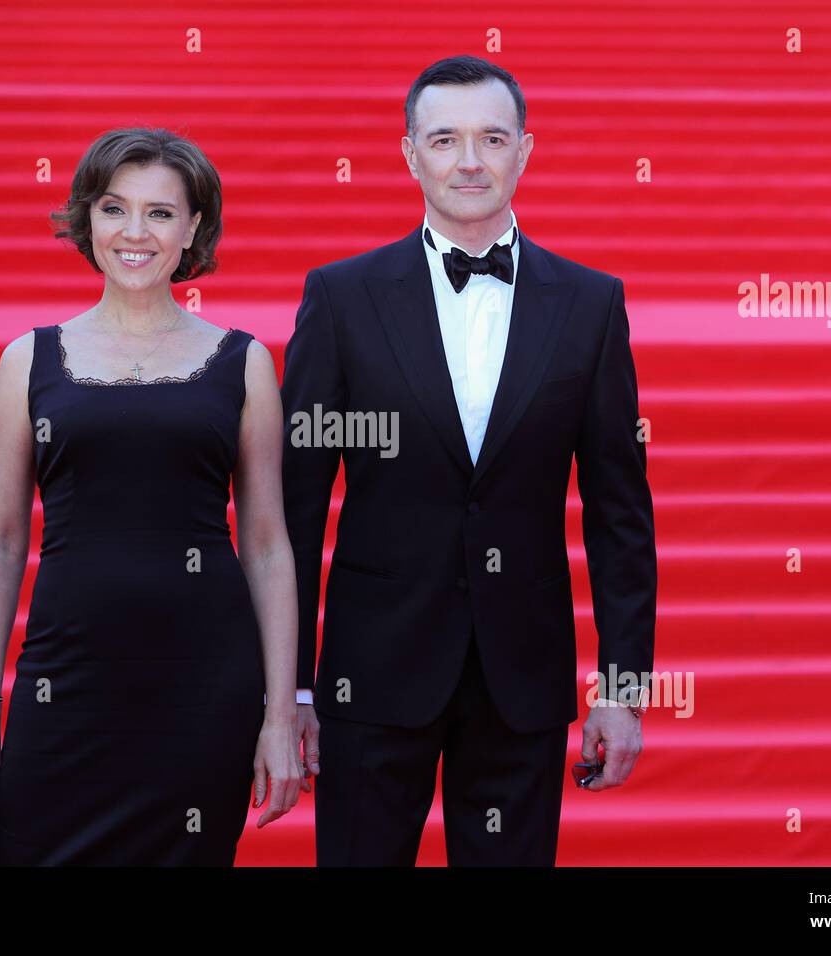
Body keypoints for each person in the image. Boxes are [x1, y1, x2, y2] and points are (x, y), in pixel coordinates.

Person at [282, 56, 657, 866]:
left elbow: (620, 515)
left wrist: (623, 690)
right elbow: (296, 506)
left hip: (520, 676)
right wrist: (292, 688)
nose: (469, 160)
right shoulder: (342, 297)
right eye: (445, 139)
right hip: (368, 677)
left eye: (492, 138)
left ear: (525, 150)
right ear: (411, 153)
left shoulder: (592, 303)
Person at [0, 127, 302, 865]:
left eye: (161, 213)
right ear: (88, 220)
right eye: (114, 209)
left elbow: (267, 544)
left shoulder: (244, 363)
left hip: (205, 688)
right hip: (65, 681)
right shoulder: (29, 359)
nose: (135, 233)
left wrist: (278, 713)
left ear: (194, 227)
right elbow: (3, 539)